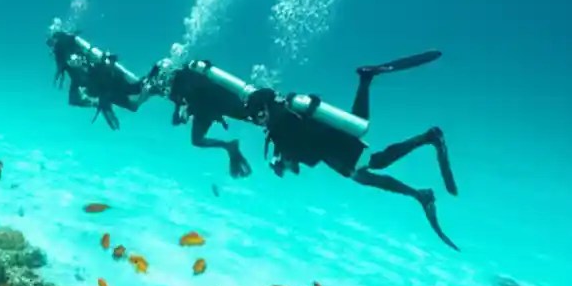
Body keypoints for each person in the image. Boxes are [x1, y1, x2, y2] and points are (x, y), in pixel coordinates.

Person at [244, 50, 460, 250]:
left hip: (336, 149)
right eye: (256, 120)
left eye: (259, 117)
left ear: (265, 108)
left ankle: (428, 141)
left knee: (376, 162)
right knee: (364, 158)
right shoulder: (282, 115)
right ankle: (420, 191)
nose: (259, 122)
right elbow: (293, 147)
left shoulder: (282, 123)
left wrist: (284, 162)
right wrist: (282, 158)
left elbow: (298, 153)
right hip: (333, 147)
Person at [150, 58, 254, 178]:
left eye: (160, 80)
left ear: (166, 72)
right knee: (197, 141)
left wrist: (186, 109)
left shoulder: (185, 75)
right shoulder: (173, 90)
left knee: (251, 114)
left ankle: (269, 109)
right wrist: (182, 112)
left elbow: (202, 89)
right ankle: (229, 146)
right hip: (206, 110)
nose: (162, 85)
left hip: (218, 101)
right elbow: (177, 112)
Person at [47, 27, 152, 130]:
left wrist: (110, 64)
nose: (75, 61)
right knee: (133, 104)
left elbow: (111, 68)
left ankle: (152, 83)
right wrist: (95, 103)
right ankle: (148, 87)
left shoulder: (93, 63)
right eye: (71, 61)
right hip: (106, 92)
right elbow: (74, 100)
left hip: (113, 83)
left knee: (135, 91)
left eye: (76, 58)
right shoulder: (76, 77)